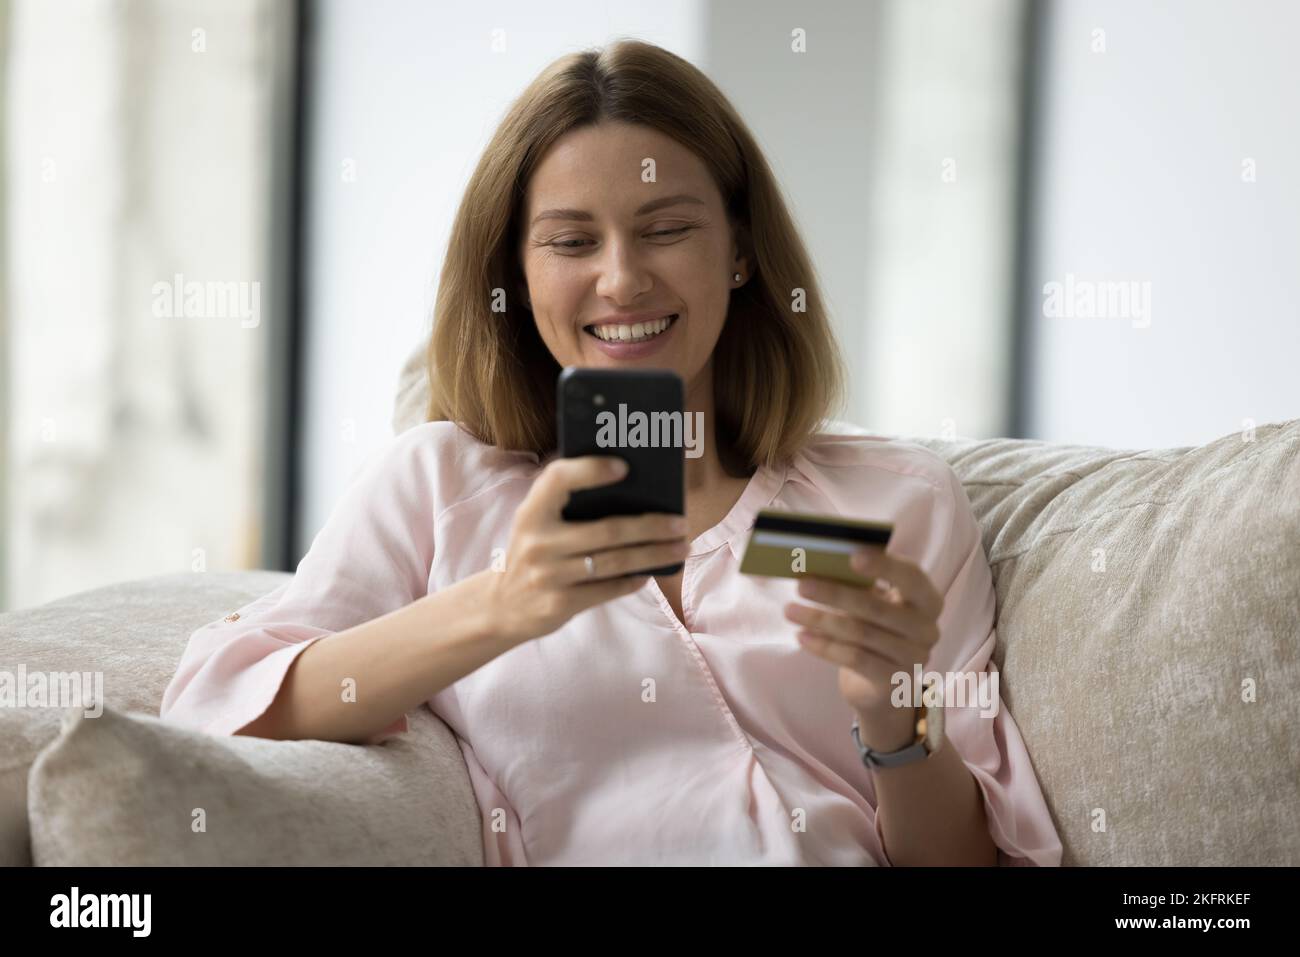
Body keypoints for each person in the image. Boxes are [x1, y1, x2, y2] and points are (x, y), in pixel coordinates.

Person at [160, 38, 1063, 867]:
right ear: (516, 270)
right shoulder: (434, 487)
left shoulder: (893, 502)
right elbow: (222, 703)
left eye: (667, 227)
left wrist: (895, 717)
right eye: (572, 241)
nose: (623, 278)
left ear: (741, 249)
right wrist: (504, 604)